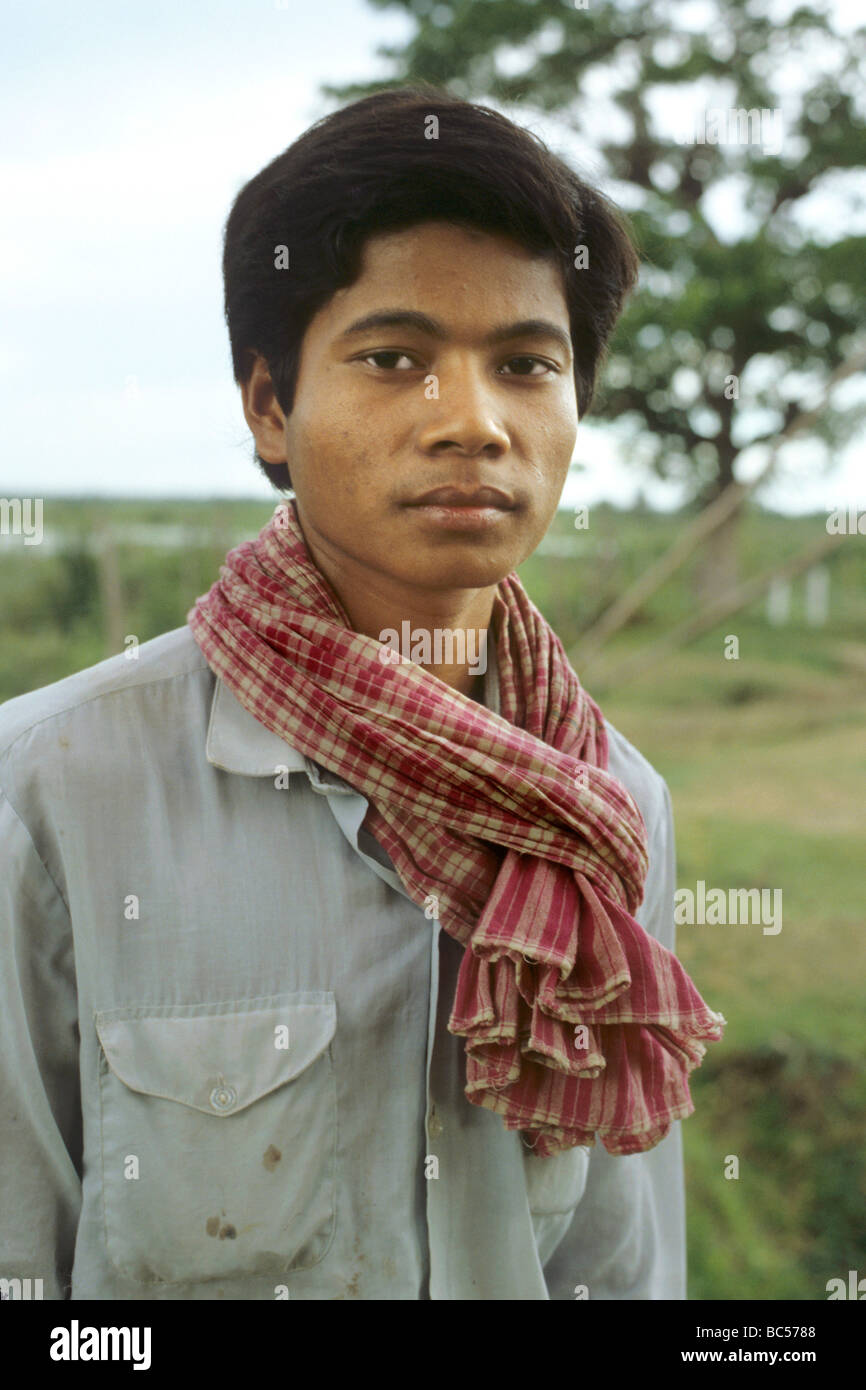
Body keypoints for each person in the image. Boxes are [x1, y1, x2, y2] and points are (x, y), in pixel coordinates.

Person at [0, 85, 724, 1301]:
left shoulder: (604, 808)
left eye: (524, 365)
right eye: (394, 359)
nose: (475, 424)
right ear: (271, 406)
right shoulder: (52, 790)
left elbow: (617, 1268)